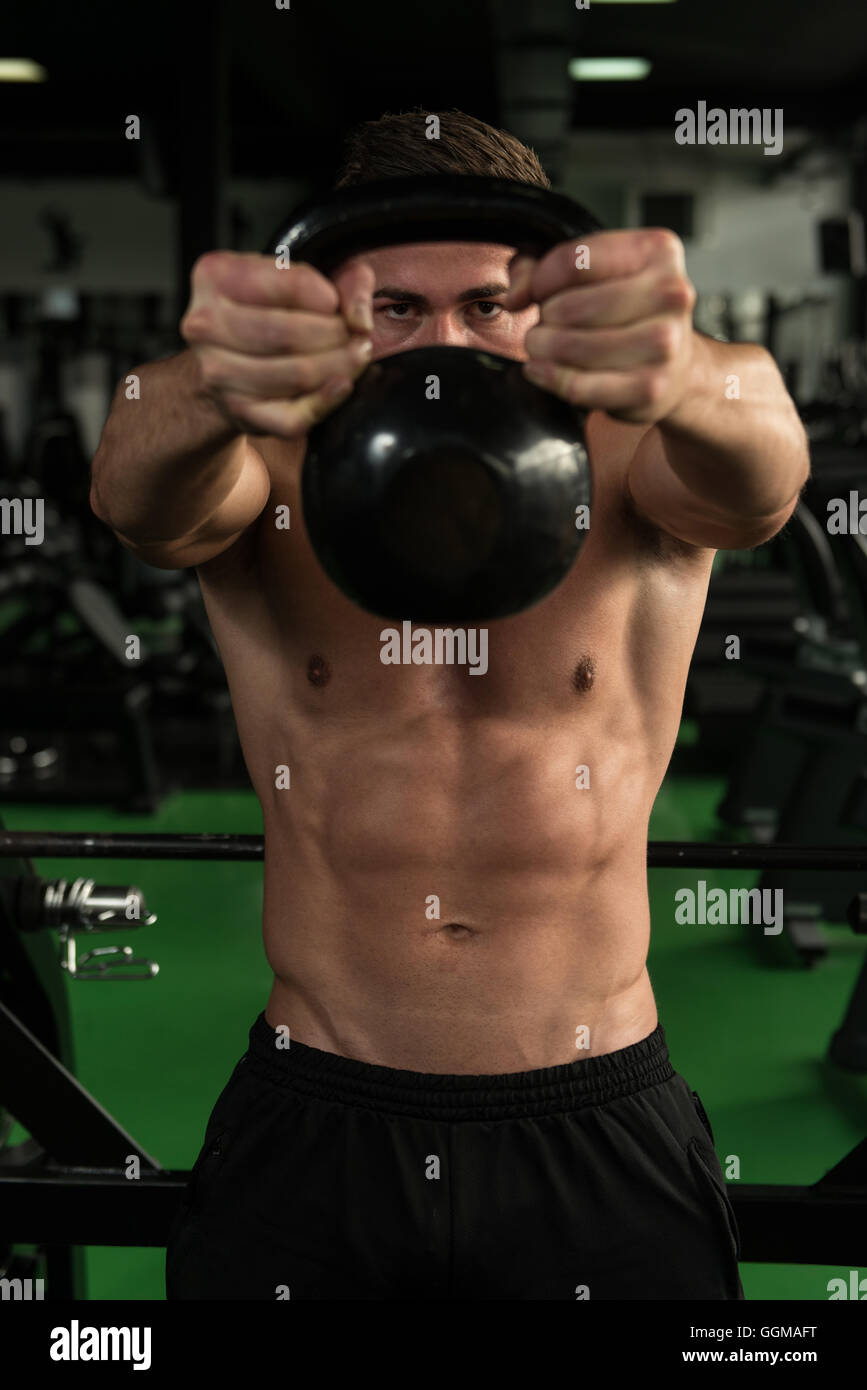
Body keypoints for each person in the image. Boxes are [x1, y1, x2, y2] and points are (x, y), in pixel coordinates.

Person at [90, 110, 809, 1300]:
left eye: (486, 306)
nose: (444, 343)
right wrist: (218, 374)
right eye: (396, 310)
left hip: (597, 1106)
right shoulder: (269, 460)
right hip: (318, 1109)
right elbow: (134, 493)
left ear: (542, 307)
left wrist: (678, 364)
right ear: (335, 315)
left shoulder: (635, 443)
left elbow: (765, 478)